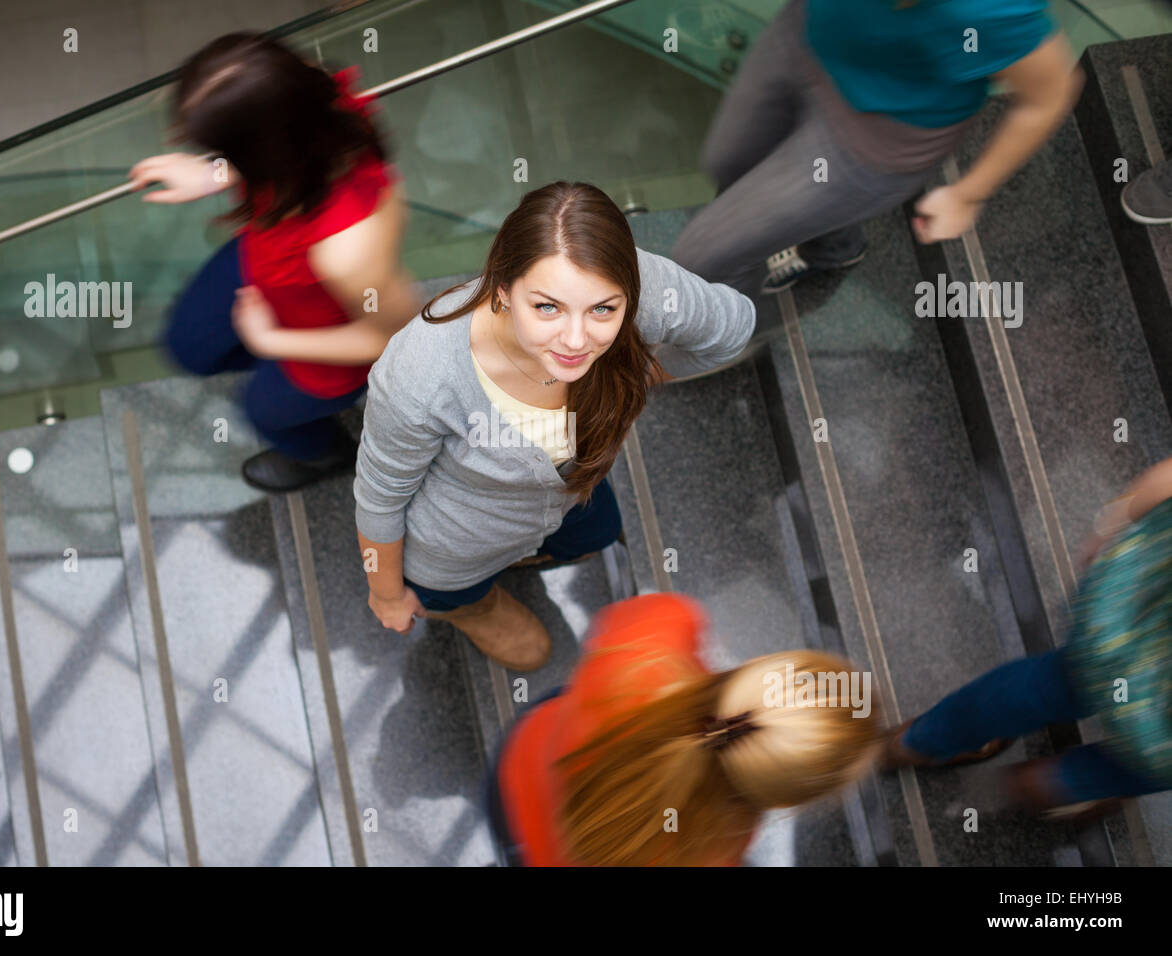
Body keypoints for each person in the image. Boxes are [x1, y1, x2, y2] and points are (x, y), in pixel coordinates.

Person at [353, 181, 754, 671]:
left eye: (603, 309)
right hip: (450, 548)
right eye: (547, 307)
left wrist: (640, 373)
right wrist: (387, 596)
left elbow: (731, 328)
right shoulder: (421, 372)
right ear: (502, 288)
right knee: (532, 655)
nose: (576, 340)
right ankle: (470, 606)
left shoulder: (641, 286)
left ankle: (521, 557)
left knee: (598, 535)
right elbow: (380, 497)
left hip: (570, 491)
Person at [129, 33, 420, 492]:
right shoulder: (303, 96)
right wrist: (212, 173)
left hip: (321, 348)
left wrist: (271, 340)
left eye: (221, 150)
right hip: (270, 262)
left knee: (266, 413)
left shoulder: (349, 249)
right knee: (189, 347)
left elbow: (388, 336)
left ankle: (325, 454)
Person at [672, 0, 1083, 300]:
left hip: (874, 135)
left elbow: (1047, 96)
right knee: (727, 162)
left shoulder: (989, 11)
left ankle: (719, 338)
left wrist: (968, 194)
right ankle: (834, 246)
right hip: (805, 37)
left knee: (702, 258)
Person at [484, 593, 881, 866]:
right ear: (783, 796)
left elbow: (633, 620)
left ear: (759, 665)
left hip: (521, 762)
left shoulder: (655, 635)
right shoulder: (717, 847)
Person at [883, 458, 1172, 823]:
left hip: (1129, 624)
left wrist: (1112, 523)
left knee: (1056, 681)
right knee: (1134, 767)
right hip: (1159, 737)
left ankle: (916, 743)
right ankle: (1049, 783)